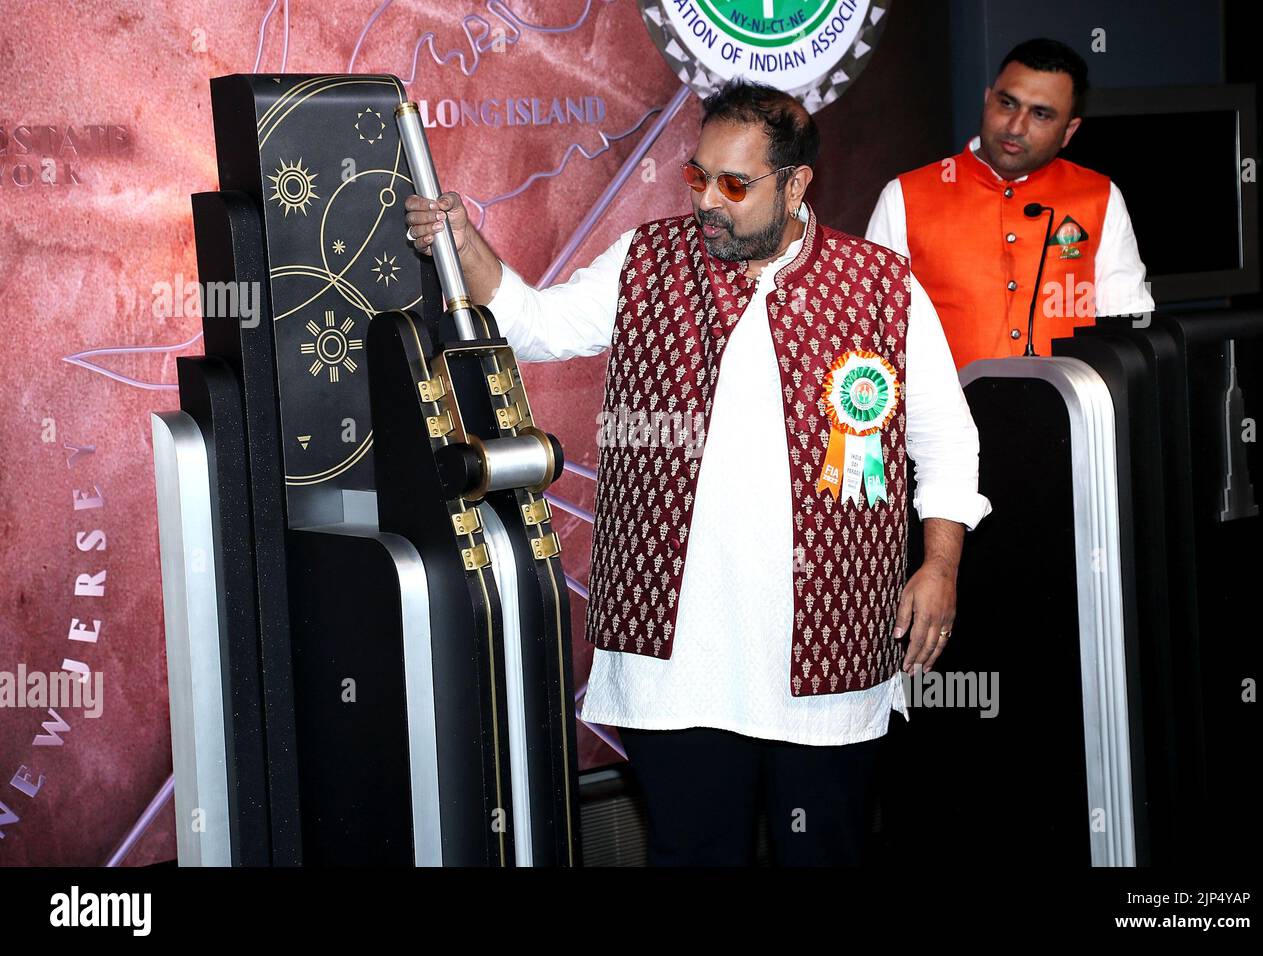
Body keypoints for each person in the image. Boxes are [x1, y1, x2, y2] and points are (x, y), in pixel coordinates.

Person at [406, 78, 991, 866]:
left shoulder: (880, 286)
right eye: (698, 176)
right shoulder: (647, 260)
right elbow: (536, 326)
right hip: (677, 658)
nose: (708, 200)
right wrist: (464, 241)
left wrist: (940, 565)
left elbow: (946, 438)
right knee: (692, 853)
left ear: (796, 184)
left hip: (828, 651)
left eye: (735, 185)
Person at [866, 38, 1155, 368]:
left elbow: (1128, 323)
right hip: (947, 401)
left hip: (1072, 399)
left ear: (1068, 131)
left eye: (1041, 114)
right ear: (987, 100)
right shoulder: (904, 196)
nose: (1016, 126)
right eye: (1007, 104)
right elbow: (875, 329)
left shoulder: (1098, 196)